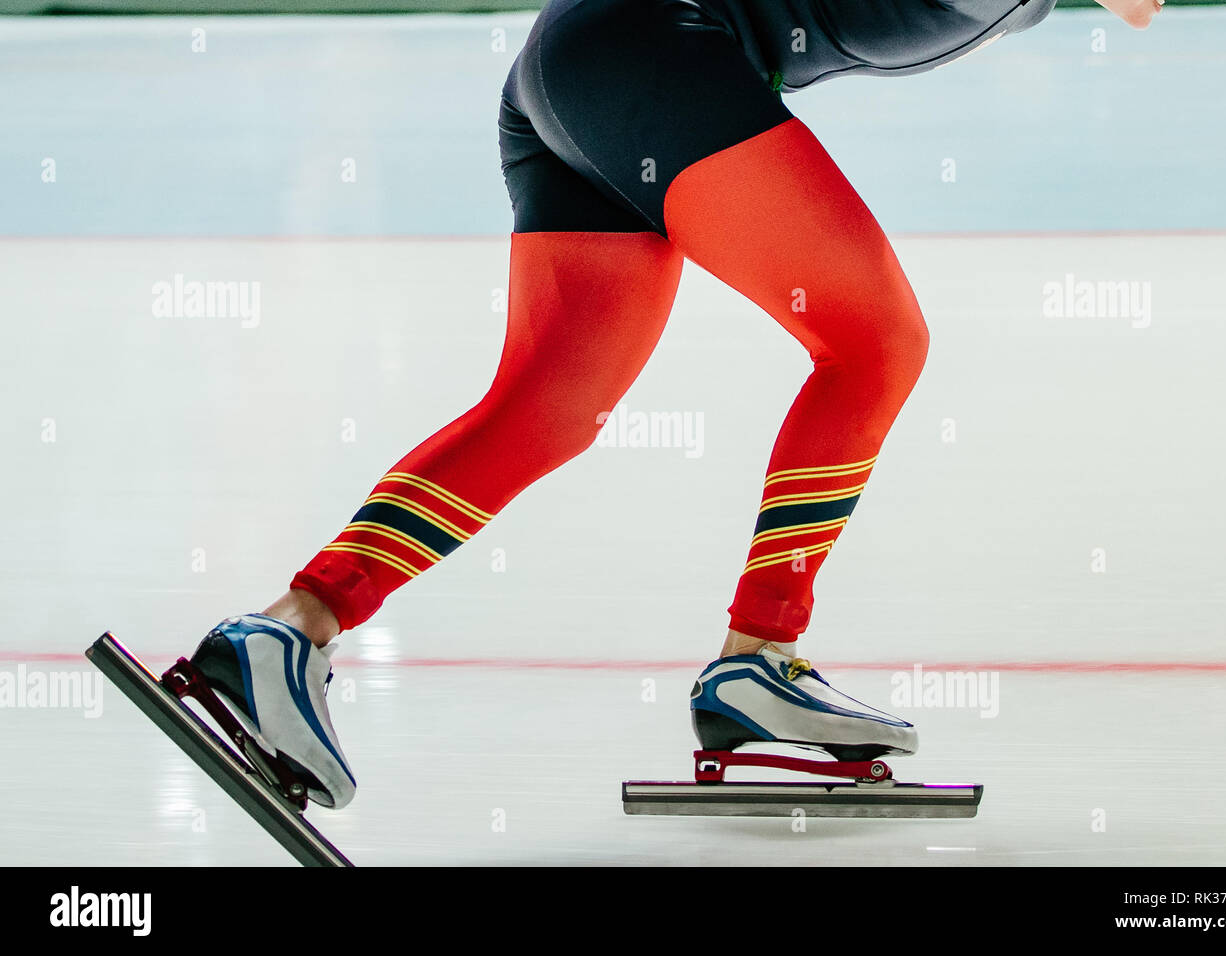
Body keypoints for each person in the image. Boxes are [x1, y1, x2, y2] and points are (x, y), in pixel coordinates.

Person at [184, 0, 1164, 809]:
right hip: (646, 49)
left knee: (548, 406)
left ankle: (286, 629)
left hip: (597, 67)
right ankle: (760, 658)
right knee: (874, 342)